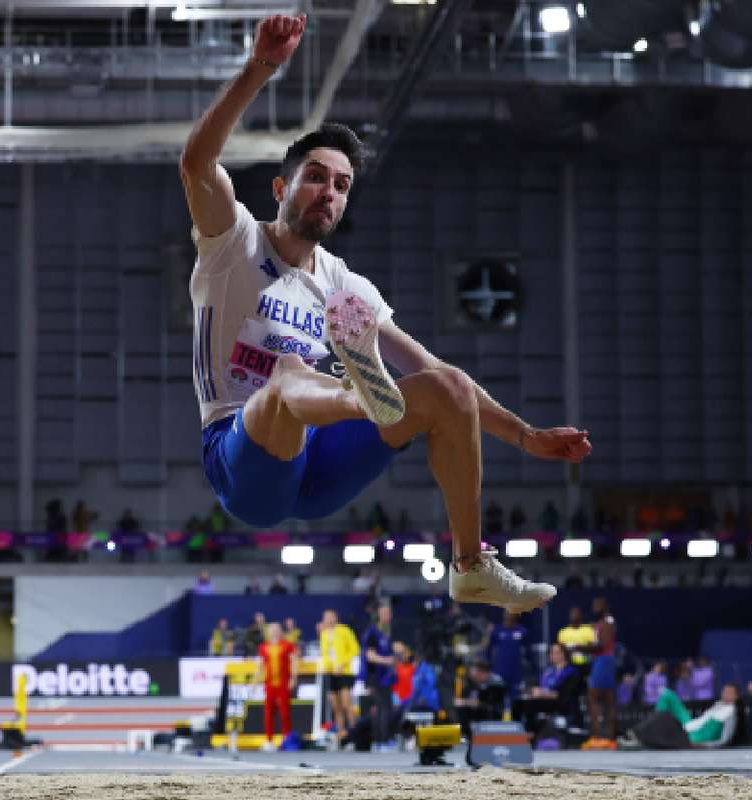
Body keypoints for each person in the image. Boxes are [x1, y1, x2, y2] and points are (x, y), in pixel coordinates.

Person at [179, 12, 590, 615]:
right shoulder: (232, 241)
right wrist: (261, 67)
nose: (329, 192)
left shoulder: (342, 284)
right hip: (243, 461)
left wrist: (524, 436)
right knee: (289, 370)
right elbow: (195, 163)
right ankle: (362, 394)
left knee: (445, 387)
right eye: (315, 178)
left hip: (319, 468)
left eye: (342, 186)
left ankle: (471, 565)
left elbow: (427, 364)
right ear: (280, 189)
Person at [624, 684, 740, 750]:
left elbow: (725, 738)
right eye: (725, 692)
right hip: (691, 725)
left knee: (664, 716)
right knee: (666, 694)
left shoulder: (730, 712)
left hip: (694, 737)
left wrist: (705, 745)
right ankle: (649, 728)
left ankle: (643, 732)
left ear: (736, 696)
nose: (726, 695)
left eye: (730, 693)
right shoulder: (718, 705)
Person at [511, 643, 581, 740]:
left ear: (564, 654)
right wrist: (533, 689)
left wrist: (542, 693)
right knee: (517, 703)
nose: (553, 655)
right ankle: (516, 731)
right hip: (544, 699)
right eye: (552, 653)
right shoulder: (548, 671)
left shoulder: (571, 672)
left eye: (557, 653)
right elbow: (534, 683)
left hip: (561, 702)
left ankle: (530, 733)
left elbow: (563, 693)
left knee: (531, 704)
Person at [582, 596, 617, 750]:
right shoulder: (597, 624)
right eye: (594, 605)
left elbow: (601, 644)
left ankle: (600, 737)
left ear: (604, 605)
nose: (595, 607)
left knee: (596, 698)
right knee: (603, 700)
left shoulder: (608, 621)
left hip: (604, 660)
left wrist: (580, 647)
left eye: (598, 605)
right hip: (600, 661)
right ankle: (605, 737)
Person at [361, 603, 396, 750]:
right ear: (379, 615)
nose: (388, 616)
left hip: (386, 678)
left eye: (389, 613)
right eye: (385, 613)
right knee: (381, 709)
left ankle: (384, 740)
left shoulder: (386, 633)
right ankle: (381, 741)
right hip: (375, 677)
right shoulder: (372, 633)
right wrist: (387, 660)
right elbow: (369, 656)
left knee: (386, 708)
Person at [319, 609, 360, 738]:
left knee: (346, 704)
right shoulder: (323, 634)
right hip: (331, 673)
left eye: (331, 617)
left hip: (344, 672)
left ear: (336, 618)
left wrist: (342, 663)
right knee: (336, 707)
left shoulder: (344, 630)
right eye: (326, 617)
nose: (329, 620)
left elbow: (355, 649)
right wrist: (327, 667)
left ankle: (354, 734)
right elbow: (325, 654)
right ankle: (341, 734)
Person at [257, 621, 298, 744]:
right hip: (269, 684)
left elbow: (294, 662)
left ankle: (287, 739)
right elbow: (260, 665)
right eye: (272, 630)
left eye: (277, 630)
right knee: (268, 713)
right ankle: (269, 740)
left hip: (283, 683)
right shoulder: (263, 647)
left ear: (280, 631)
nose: (274, 632)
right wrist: (255, 681)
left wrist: (293, 678)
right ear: (268, 632)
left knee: (285, 713)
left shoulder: (288, 645)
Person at [454, 660, 506, 735]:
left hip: (490, 718)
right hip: (473, 718)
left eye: (477, 673)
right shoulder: (470, 682)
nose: (474, 675)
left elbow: (488, 704)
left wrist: (465, 702)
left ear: (485, 673)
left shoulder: (495, 684)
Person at [484, 612, 527, 701]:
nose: (509, 615)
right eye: (507, 613)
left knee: (515, 698)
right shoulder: (496, 630)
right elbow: (489, 649)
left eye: (511, 612)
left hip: (516, 672)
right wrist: (487, 664)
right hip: (499, 671)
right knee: (497, 698)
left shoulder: (522, 631)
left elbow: (528, 651)